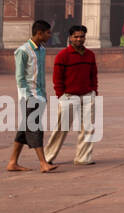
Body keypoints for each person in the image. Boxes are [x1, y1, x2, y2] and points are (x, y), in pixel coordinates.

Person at [45, 24, 98, 166]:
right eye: (76, 36)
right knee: (61, 129)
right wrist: (60, 95)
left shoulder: (90, 55)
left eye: (81, 36)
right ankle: (47, 157)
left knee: (87, 128)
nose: (79, 39)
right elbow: (57, 78)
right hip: (68, 96)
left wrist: (94, 91)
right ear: (70, 38)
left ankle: (83, 157)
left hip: (87, 95)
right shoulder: (63, 55)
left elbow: (93, 75)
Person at [8, 20, 58, 173]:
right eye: (48, 32)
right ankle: (43, 163)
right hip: (30, 97)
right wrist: (28, 97)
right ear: (39, 33)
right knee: (35, 129)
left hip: (40, 95)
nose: (50, 35)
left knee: (25, 129)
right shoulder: (23, 51)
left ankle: (12, 162)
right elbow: (20, 78)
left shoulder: (42, 50)